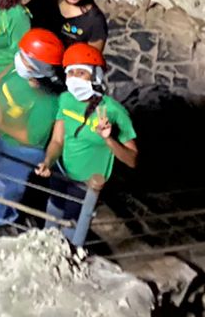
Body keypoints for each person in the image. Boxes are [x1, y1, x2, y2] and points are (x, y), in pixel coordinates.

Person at [35, 42, 139, 227]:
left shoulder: (114, 111)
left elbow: (132, 160)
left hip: (87, 183)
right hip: (61, 171)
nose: (74, 78)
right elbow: (58, 140)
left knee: (72, 225)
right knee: (53, 212)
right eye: (70, 72)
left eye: (81, 72)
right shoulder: (65, 99)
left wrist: (108, 139)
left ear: (96, 76)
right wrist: (48, 161)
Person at [0, 29, 64, 232]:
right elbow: (0, 90)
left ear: (41, 69)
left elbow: (32, 137)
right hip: (2, 141)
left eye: (27, 59)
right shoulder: (17, 72)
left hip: (21, 151)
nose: (19, 60)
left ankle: (0, 220)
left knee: (8, 187)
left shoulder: (47, 102)